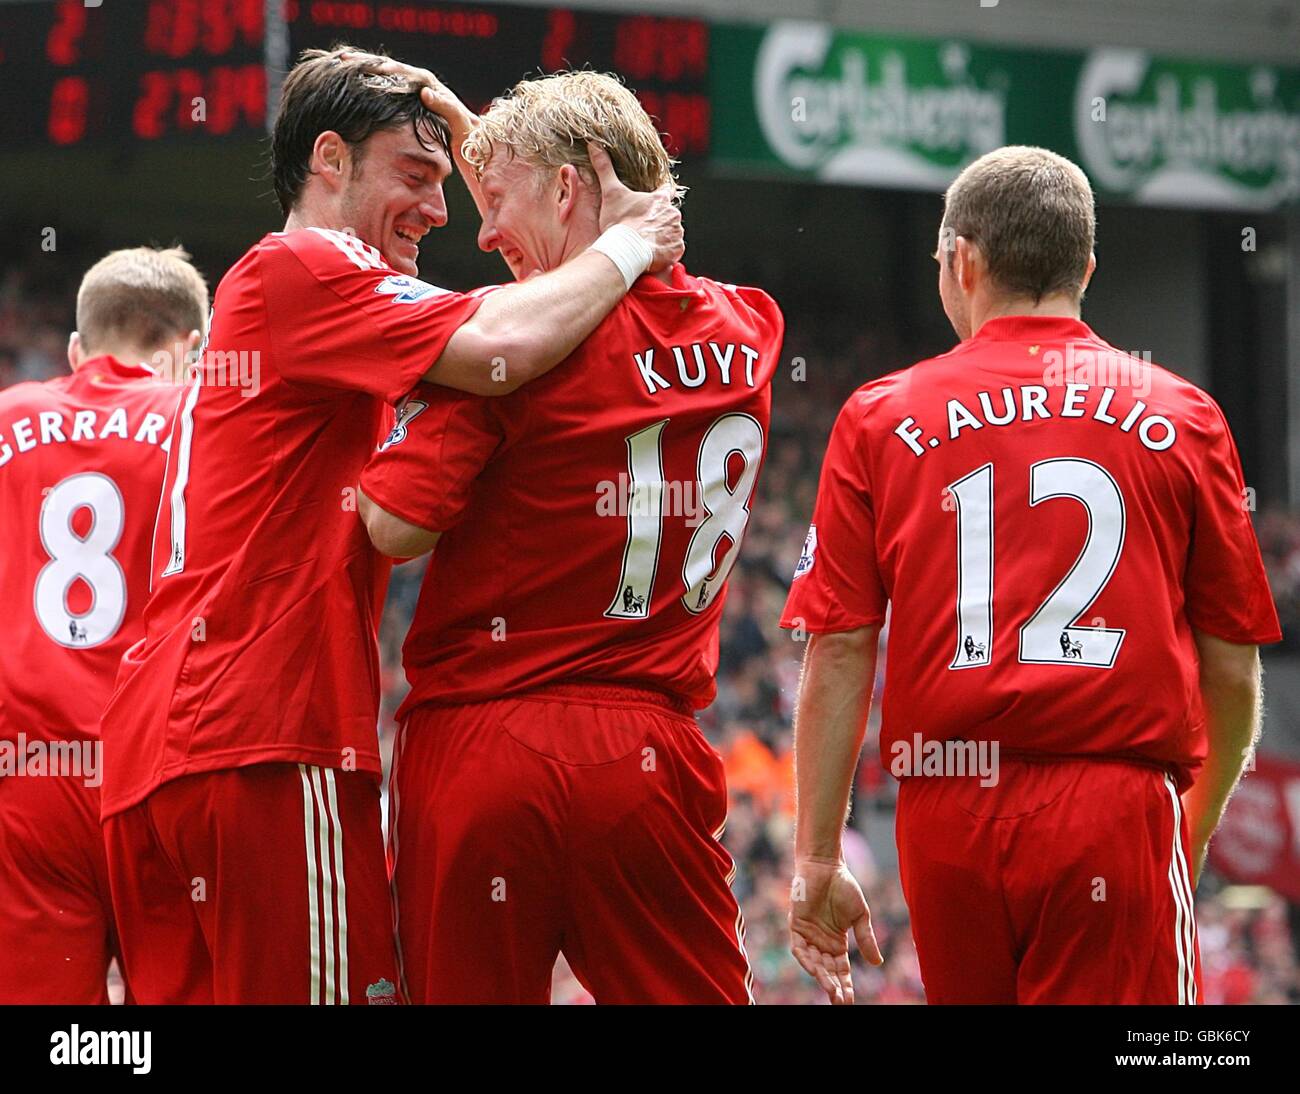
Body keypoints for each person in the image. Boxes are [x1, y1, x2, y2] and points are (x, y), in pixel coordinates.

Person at [98, 48, 683, 1005]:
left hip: (161, 752)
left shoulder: (292, 301)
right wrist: (624, 243)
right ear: (330, 160)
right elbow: (503, 346)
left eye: (449, 182)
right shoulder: (310, 265)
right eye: (415, 178)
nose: (445, 211)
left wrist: (458, 125)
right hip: (268, 739)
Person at [781, 145, 1281, 1005]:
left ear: (962, 262)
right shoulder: (1184, 414)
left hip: (947, 805)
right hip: (1113, 806)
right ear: (1084, 267)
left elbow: (839, 651)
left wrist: (818, 857)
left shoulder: (879, 416)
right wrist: (1192, 824)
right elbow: (1231, 667)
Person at [356, 69, 785, 1003]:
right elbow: (640, 285)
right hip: (650, 761)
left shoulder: (506, 350)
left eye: (495, 196)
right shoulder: (751, 329)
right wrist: (533, 176)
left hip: (486, 742)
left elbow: (395, 526)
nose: (479, 229)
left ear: (564, 189)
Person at [0, 246, 208, 1003]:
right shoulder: (202, 420)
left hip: (29, 776)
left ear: (75, 350)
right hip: (161, 773)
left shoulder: (8, 417)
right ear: (192, 350)